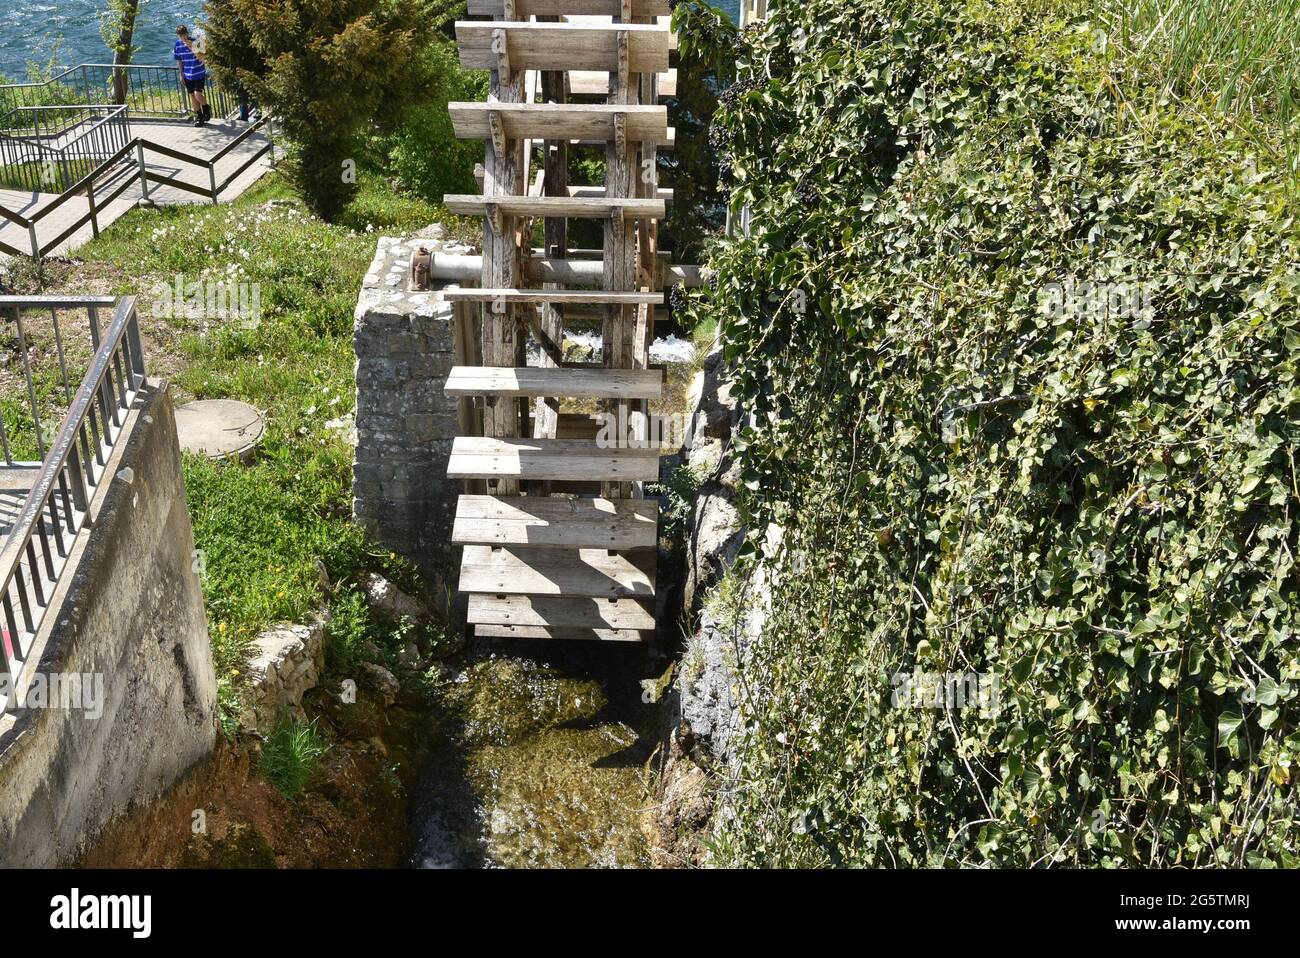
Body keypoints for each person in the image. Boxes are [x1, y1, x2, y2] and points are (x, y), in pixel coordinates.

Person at [173, 25, 210, 126]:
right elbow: (179, 60)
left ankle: (206, 108)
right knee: (192, 96)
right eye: (180, 36)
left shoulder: (196, 42)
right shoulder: (177, 45)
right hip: (187, 74)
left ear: (187, 33)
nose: (183, 38)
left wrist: (192, 47)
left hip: (198, 72)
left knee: (198, 94)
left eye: (184, 35)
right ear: (178, 36)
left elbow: (203, 57)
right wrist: (181, 74)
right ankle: (199, 117)